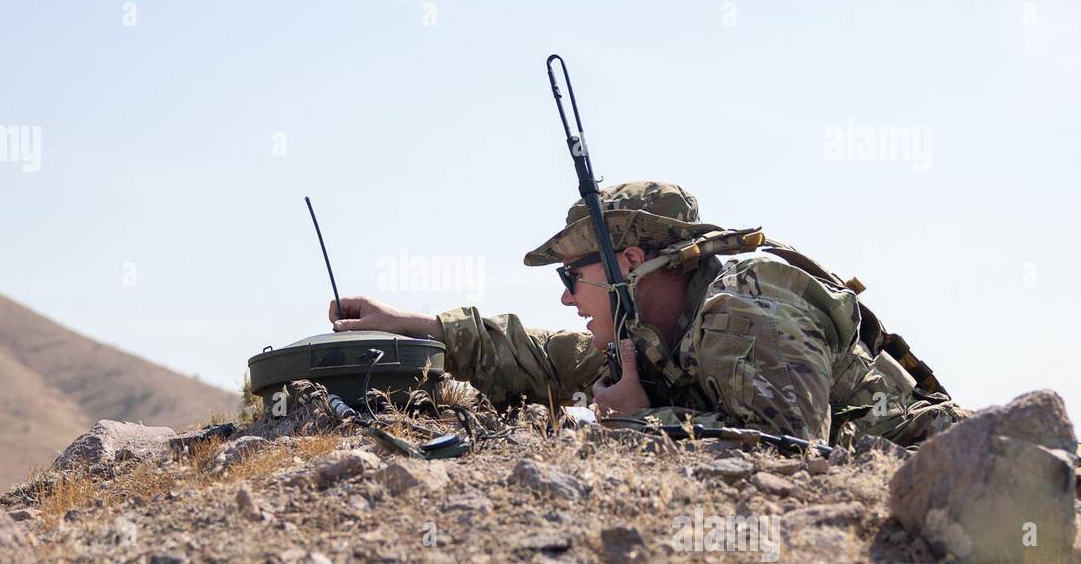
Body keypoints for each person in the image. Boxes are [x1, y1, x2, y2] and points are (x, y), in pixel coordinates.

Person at [330, 181, 966, 447]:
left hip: (952, 461)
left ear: (629, 261)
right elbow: (546, 357)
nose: (565, 298)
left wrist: (643, 420)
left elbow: (795, 448)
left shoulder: (739, 315)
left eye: (571, 278)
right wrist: (413, 325)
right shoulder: (656, 331)